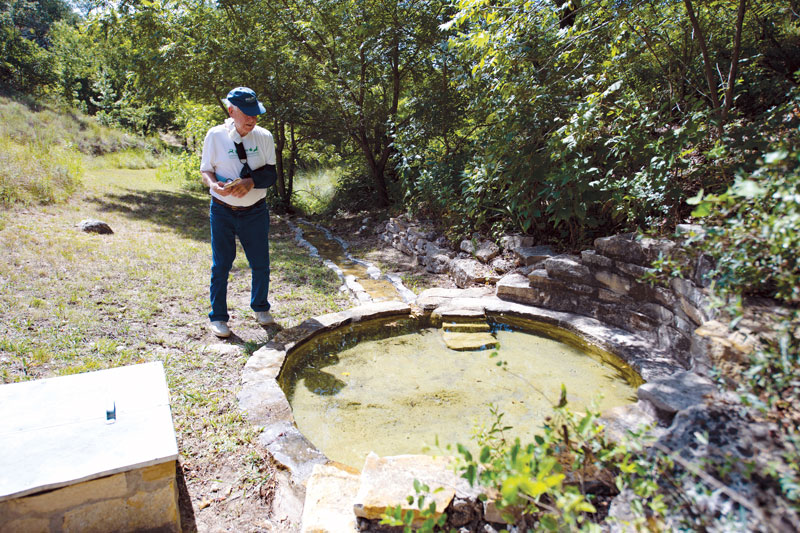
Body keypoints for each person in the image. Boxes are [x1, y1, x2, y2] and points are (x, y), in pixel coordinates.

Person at [200, 87, 278, 338]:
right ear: (231, 111)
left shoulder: (264, 136)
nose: (252, 120)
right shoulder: (215, 136)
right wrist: (213, 185)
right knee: (221, 265)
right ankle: (219, 317)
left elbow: (271, 174)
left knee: (260, 263)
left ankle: (260, 308)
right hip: (222, 211)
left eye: (256, 114)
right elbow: (206, 170)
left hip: (255, 211)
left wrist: (251, 182)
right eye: (247, 114)